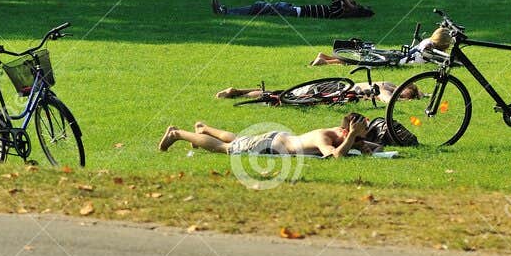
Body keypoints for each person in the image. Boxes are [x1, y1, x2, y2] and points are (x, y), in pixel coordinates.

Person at [158, 112, 374, 158]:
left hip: (277, 139)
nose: (361, 138)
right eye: (358, 133)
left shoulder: (343, 135)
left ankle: (204, 129)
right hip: (271, 143)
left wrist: (364, 145)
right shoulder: (324, 137)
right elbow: (334, 156)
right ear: (347, 131)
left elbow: (378, 149)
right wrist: (351, 139)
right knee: (225, 149)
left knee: (238, 139)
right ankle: (177, 134)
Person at [308, 24, 455, 67]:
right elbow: (443, 60)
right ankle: (325, 62)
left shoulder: (427, 41)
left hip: (399, 54)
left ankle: (325, 57)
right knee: (366, 63)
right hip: (398, 60)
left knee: (366, 58)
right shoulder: (431, 50)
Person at [215, 80, 416, 105]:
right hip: (336, 89)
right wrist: (395, 102)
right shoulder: (385, 86)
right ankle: (237, 92)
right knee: (285, 97)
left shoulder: (391, 85)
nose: (405, 97)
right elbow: (385, 98)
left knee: (284, 92)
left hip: (339, 91)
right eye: (408, 94)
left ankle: (239, 91)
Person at [213, 0, 373, 19]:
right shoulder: (336, 11)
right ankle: (226, 11)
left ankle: (226, 11)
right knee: (258, 6)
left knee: (258, 7)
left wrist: (350, 5)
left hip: (291, 11)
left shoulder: (337, 13)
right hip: (290, 7)